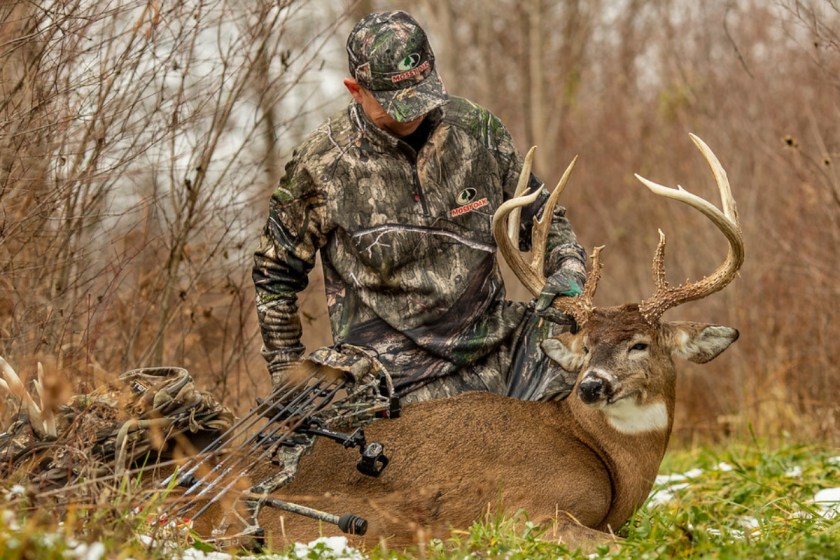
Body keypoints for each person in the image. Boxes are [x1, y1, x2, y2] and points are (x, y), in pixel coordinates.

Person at [253, 10, 586, 408]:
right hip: (389, 372)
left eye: (420, 94)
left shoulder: (479, 131)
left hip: (497, 346)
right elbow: (274, 274)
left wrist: (568, 268)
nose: (412, 111)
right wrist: (286, 374)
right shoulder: (321, 164)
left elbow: (546, 220)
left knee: (602, 359)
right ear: (355, 89)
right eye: (396, 103)